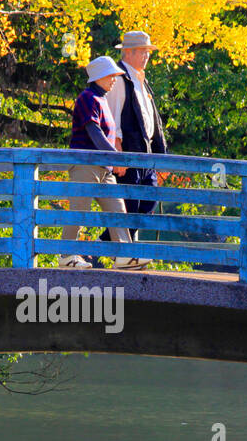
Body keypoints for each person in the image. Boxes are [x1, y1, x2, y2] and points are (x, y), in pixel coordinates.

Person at [61, 56, 148, 269]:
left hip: (103, 167)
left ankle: (124, 256)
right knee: (79, 212)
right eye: (111, 76)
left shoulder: (101, 100)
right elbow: (95, 133)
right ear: (99, 77)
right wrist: (116, 156)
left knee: (118, 210)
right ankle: (66, 257)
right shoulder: (87, 97)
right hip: (85, 164)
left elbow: (103, 137)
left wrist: (112, 158)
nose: (114, 80)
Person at [98, 30, 168, 260]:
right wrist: (116, 155)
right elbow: (112, 118)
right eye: (142, 52)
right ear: (128, 52)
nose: (147, 56)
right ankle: (121, 255)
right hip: (128, 155)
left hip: (145, 156)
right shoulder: (119, 79)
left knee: (147, 203)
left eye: (148, 52)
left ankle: (104, 247)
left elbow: (152, 121)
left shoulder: (141, 80)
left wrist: (162, 156)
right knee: (130, 205)